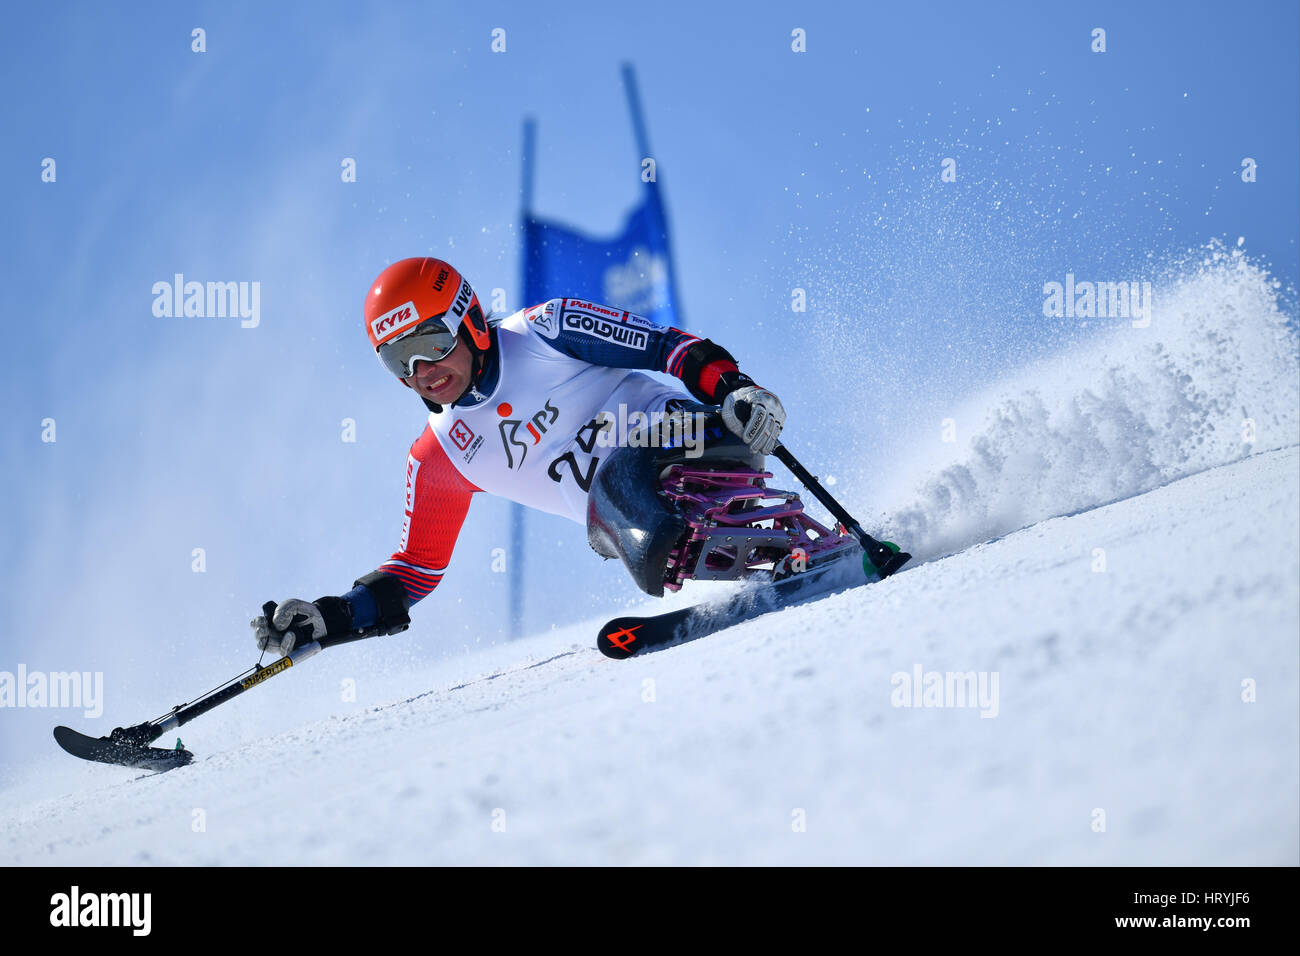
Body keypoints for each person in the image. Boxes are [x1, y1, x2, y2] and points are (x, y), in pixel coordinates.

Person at [252, 257, 786, 655]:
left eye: (432, 343)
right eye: (400, 359)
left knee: (617, 490)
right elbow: (415, 569)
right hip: (639, 524)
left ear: (470, 323)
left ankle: (754, 531)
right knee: (611, 522)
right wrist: (331, 616)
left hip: (698, 441)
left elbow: (668, 347)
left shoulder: (547, 330)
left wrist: (736, 389)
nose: (423, 370)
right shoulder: (439, 457)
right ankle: (774, 558)